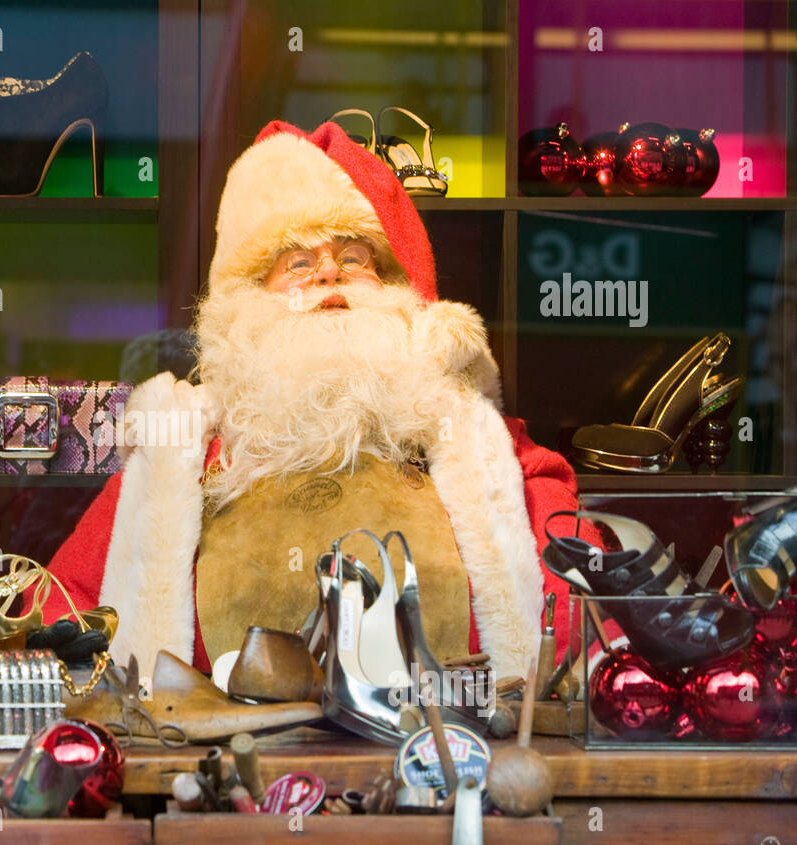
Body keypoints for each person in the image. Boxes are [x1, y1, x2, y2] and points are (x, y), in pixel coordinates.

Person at [40, 120, 580, 684]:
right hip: (220, 752)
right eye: (297, 264)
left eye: (353, 258)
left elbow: (573, 595)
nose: (327, 274)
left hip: (439, 752)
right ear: (249, 299)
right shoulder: (176, 447)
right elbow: (67, 610)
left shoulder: (476, 439)